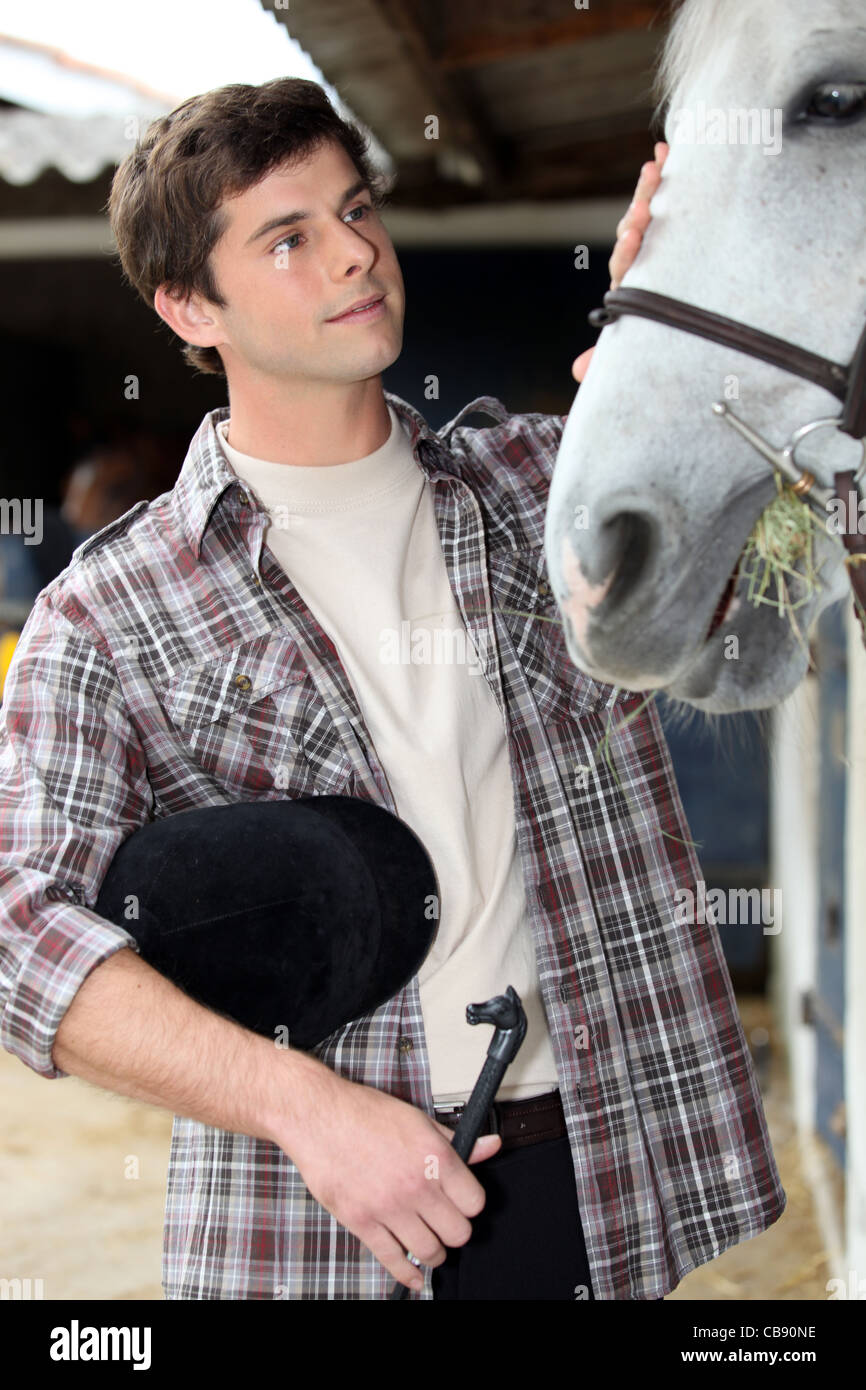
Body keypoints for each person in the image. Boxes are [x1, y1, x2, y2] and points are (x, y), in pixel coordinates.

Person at [0, 77, 784, 1301]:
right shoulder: (107, 613)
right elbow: (21, 932)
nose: (356, 252)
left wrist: (675, 328)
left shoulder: (543, 485)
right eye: (288, 237)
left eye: (355, 207)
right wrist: (307, 1109)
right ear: (186, 306)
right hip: (325, 1224)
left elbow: (745, 622)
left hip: (608, 1176)